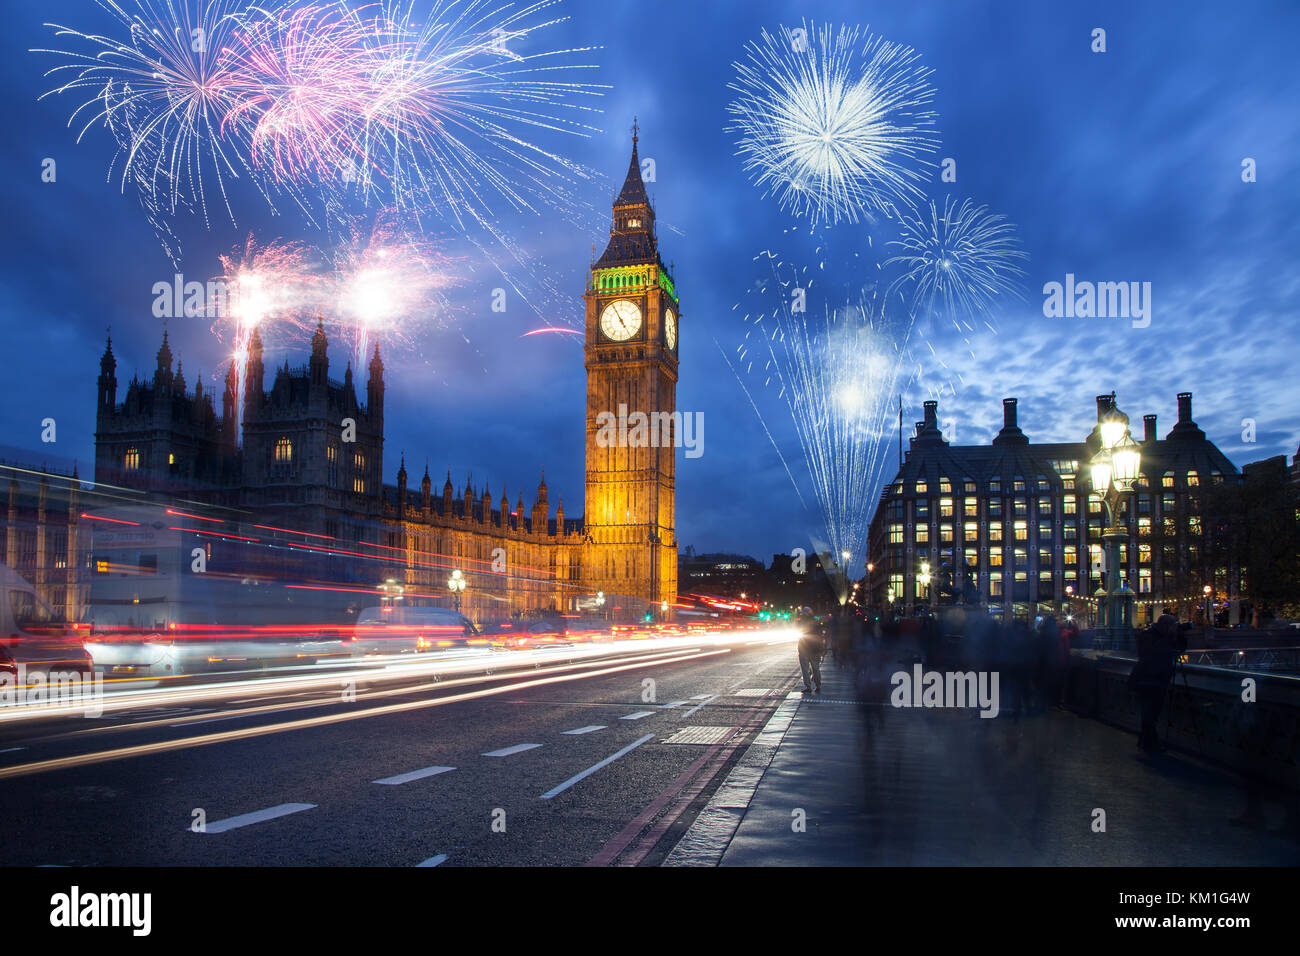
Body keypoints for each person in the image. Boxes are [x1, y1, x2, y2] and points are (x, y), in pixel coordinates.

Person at [1129, 608, 1188, 753]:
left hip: (1159, 678)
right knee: (1149, 712)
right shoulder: (1148, 636)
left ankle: (1145, 741)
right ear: (1165, 625)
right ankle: (1149, 742)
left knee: (1152, 712)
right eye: (1172, 625)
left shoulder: (1162, 636)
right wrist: (1168, 638)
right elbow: (1151, 653)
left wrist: (1179, 635)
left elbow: (1180, 649)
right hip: (1148, 678)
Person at [797, 606, 824, 695]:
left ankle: (808, 686)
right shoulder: (816, 622)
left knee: (805, 669)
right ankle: (817, 685)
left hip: (805, 648)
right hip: (814, 649)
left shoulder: (802, 622)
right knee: (815, 668)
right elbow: (820, 636)